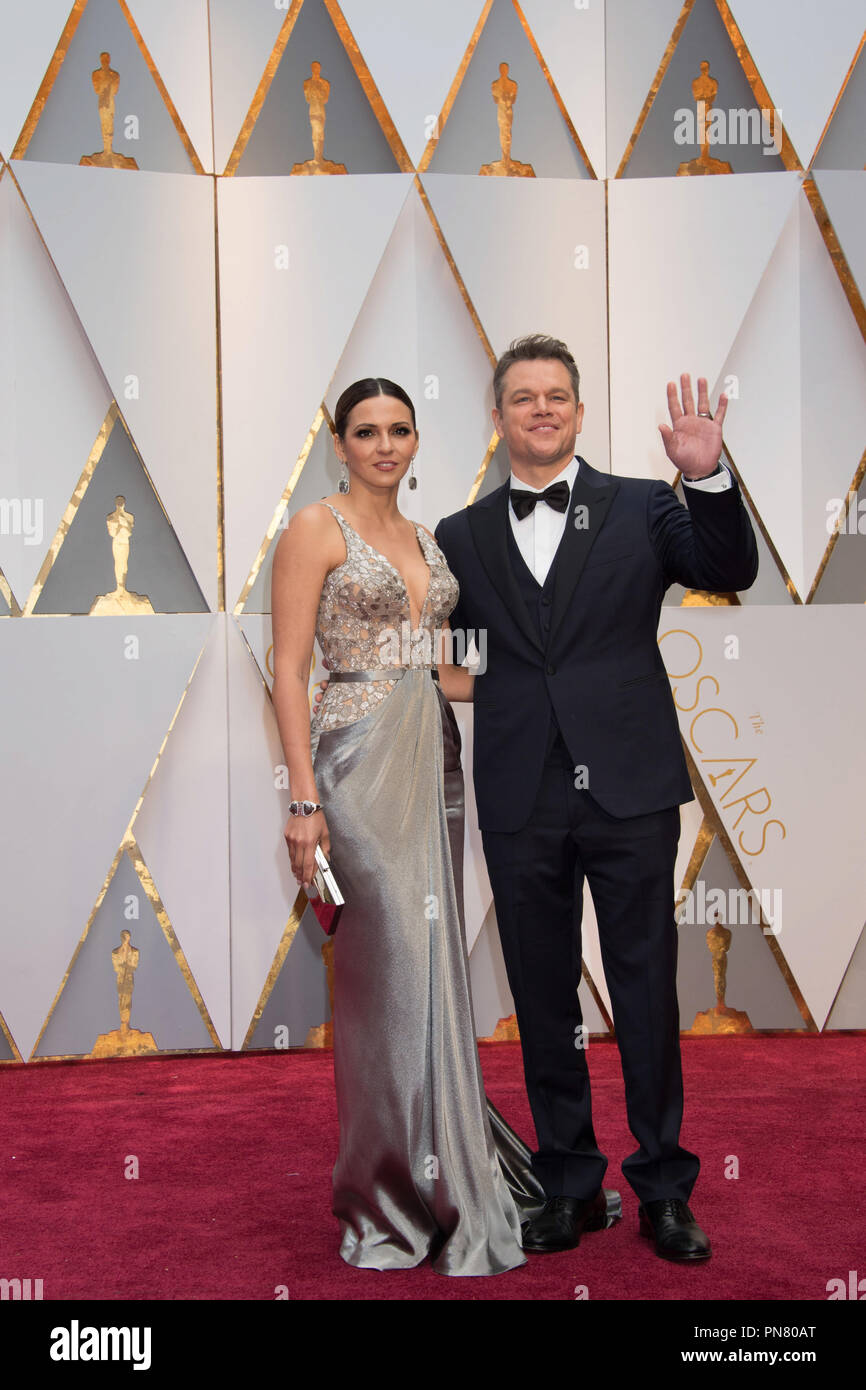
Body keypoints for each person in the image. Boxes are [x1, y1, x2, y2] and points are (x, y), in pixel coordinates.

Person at [433, 334, 758, 1260]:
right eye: (523, 397)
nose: (541, 410)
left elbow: (728, 570)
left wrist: (710, 477)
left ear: (579, 413)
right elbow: (460, 651)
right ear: (497, 419)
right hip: (519, 791)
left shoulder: (646, 507)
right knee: (541, 995)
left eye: (558, 397)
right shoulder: (460, 536)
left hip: (629, 787)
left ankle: (664, 1190)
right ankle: (569, 1184)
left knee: (646, 987)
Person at [270, 377, 540, 1277]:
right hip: (356, 764)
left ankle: (450, 1165)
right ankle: (384, 1195)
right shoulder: (316, 529)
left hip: (435, 756)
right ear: (338, 443)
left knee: (434, 973)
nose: (384, 444)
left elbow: (437, 667)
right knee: (385, 981)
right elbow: (290, 665)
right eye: (365, 431)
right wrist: (303, 800)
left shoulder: (426, 539)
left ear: (417, 439)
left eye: (399, 429)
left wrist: (540, 680)